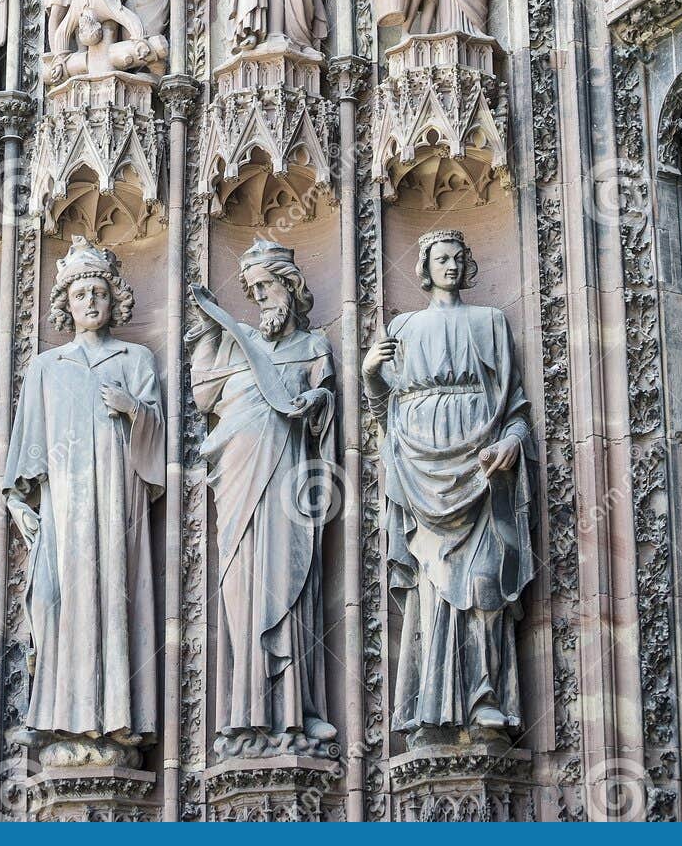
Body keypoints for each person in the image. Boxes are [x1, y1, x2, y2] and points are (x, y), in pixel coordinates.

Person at [363, 231, 535, 740]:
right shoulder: (404, 328)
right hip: (421, 472)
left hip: (480, 470)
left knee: (484, 581)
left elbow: (517, 409)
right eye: (441, 258)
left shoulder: (490, 323)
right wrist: (372, 374)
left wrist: (511, 442)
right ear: (424, 266)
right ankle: (431, 707)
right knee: (434, 590)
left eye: (460, 257)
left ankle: (485, 697)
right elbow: (384, 417)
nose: (452, 265)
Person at [4, 239, 164, 766]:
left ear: (113, 299)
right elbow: (24, 452)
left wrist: (133, 410)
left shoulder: (135, 358)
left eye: (98, 291)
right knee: (57, 603)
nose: (90, 301)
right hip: (64, 508)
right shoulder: (47, 367)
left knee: (115, 600)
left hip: (118, 504)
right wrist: (16, 502)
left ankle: (119, 721)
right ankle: (57, 719)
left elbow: (161, 441)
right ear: (64, 304)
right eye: (79, 294)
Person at [188, 241, 336, 758]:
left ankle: (297, 714)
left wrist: (319, 400)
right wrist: (208, 334)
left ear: (290, 288)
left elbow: (329, 421)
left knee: (293, 586)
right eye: (251, 292)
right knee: (242, 591)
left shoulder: (314, 348)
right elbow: (203, 397)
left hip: (289, 483)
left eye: (266, 288)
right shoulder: (238, 343)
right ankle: (245, 712)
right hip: (237, 480)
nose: (259, 299)